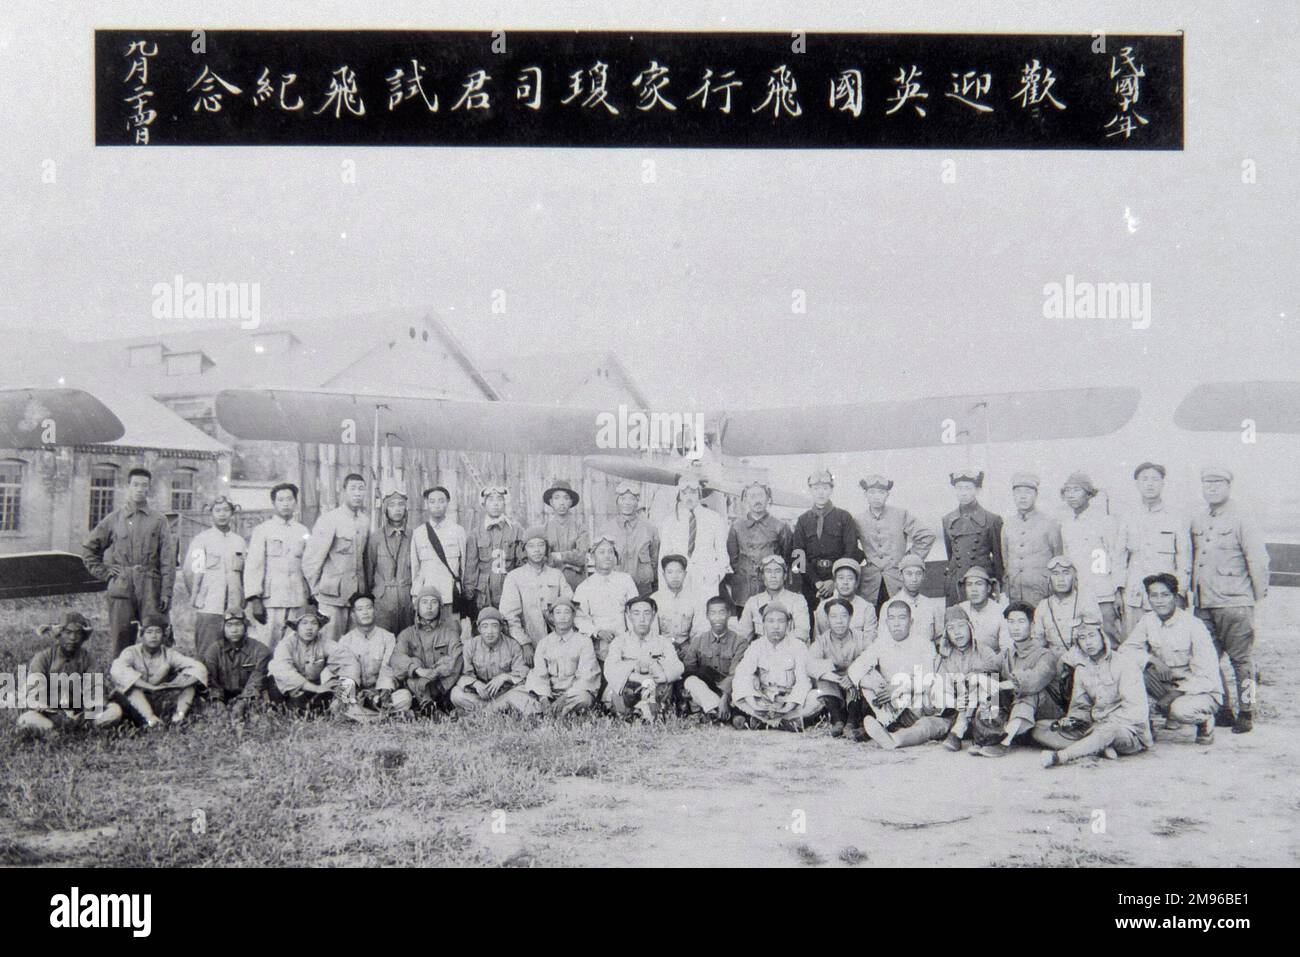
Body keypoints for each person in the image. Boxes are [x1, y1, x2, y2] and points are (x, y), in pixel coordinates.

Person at [1190, 466, 1269, 734]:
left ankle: (1247, 711)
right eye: (1207, 484)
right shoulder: (1199, 519)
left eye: (1218, 483)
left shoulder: (1242, 518)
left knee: (1242, 660)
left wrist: (1252, 598)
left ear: (1229, 486)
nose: (1211, 488)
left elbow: (1258, 561)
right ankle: (1223, 708)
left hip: (1235, 603)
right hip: (1204, 603)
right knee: (1208, 659)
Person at [1034, 610, 1153, 767]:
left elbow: (1135, 711)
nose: (1088, 642)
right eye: (1082, 638)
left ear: (1102, 637)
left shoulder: (1125, 664)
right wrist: (1073, 721)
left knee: (1109, 730)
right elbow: (1081, 706)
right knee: (1039, 728)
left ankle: (1062, 756)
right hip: (1093, 727)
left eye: (1092, 636)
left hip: (1127, 731)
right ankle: (1096, 747)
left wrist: (1101, 726)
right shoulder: (1082, 669)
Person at [81, 466, 176, 657]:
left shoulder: (159, 520)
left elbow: (168, 559)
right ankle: (122, 682)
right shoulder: (114, 519)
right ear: (128, 487)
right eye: (136, 485)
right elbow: (89, 549)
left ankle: (161, 681)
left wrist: (166, 592)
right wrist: (106, 573)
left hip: (151, 587)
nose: (140, 489)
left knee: (158, 635)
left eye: (144, 485)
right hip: (121, 586)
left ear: (149, 488)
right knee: (121, 639)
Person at [1126, 573, 1221, 744]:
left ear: (1175, 597)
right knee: (1130, 669)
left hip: (1199, 690)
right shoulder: (1148, 620)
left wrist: (1174, 695)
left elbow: (1208, 676)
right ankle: (1145, 726)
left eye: (1165, 595)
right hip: (1167, 684)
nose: (1159, 601)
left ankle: (1205, 721)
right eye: (1154, 596)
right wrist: (1153, 660)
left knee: (1179, 710)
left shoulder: (1194, 625)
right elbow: (1127, 650)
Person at [969, 602, 1065, 757]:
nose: (1015, 627)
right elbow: (986, 668)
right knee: (988, 683)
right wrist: (981, 678)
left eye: (1021, 622)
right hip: (1018, 713)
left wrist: (997, 686)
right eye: (1011, 622)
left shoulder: (1046, 655)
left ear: (1032, 626)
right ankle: (987, 736)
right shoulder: (1007, 653)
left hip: (1046, 712)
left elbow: (1033, 682)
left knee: (1027, 692)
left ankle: (1004, 743)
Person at [855, 600, 949, 749]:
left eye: (901, 618)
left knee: (925, 718)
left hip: (917, 704)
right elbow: (856, 668)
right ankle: (886, 721)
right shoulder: (881, 643)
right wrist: (879, 688)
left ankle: (891, 733)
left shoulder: (924, 644)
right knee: (866, 675)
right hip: (890, 704)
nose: (896, 623)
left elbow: (927, 679)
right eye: (892, 618)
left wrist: (898, 688)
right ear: (886, 622)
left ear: (911, 621)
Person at [1119, 462, 1191, 633]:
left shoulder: (1176, 517)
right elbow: (1119, 556)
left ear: (1163, 483)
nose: (1150, 484)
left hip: (1165, 596)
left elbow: (1184, 558)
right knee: (1134, 642)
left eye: (1155, 479)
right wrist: (1119, 590)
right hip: (1135, 594)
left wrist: (1180, 592)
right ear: (1137, 484)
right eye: (1144, 479)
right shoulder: (1128, 517)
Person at [15, 612, 114, 736]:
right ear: (59, 634)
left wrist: (87, 711)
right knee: (28, 719)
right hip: (49, 713)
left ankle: (77, 728)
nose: (73, 638)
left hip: (80, 712)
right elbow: (35, 690)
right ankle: (56, 730)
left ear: (83, 637)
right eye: (68, 633)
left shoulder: (88, 659)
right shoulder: (43, 658)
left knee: (114, 712)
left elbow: (96, 689)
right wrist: (47, 708)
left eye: (78, 633)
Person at [106, 612, 207, 728]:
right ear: (142, 635)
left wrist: (177, 684)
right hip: (136, 698)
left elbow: (198, 667)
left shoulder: (169, 654)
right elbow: (118, 669)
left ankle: (179, 716)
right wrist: (148, 686)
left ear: (164, 635)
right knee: (131, 688)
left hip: (159, 695)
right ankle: (150, 720)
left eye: (158, 632)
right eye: (149, 632)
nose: (153, 636)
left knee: (189, 686)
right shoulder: (131, 652)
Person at [243, 482, 311, 653]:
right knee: (267, 645)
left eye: (289, 499)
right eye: (281, 500)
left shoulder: (303, 531)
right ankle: (265, 679)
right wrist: (255, 599)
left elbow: (309, 565)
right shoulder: (263, 530)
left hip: (297, 598)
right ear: (274, 503)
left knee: (294, 644)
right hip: (271, 599)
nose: (286, 503)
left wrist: (310, 595)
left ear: (296, 502)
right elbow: (254, 566)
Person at [730, 602, 820, 731]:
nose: (776, 626)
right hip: (765, 700)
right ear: (763, 624)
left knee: (817, 697)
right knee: (737, 692)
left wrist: (786, 708)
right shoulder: (756, 645)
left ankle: (771, 722)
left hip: (790, 701)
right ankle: (779, 721)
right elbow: (742, 675)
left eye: (781, 621)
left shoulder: (798, 647)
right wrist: (756, 707)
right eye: (770, 621)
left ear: (788, 624)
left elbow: (803, 682)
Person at [302, 473, 370, 642]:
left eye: (361, 489)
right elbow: (311, 560)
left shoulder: (364, 521)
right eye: (352, 488)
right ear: (343, 491)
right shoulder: (329, 519)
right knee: (330, 644)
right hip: (331, 598)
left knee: (354, 645)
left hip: (355, 597)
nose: (357, 493)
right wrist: (318, 591)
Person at [791, 469, 861, 630]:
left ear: (831, 490)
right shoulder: (802, 520)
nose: (820, 492)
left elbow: (851, 551)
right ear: (810, 490)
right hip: (811, 583)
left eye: (825, 488)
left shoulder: (844, 517)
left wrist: (833, 581)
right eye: (816, 488)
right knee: (812, 627)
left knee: (840, 623)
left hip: (839, 583)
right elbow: (798, 557)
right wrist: (816, 583)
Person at [1059, 471, 1123, 646]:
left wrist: (1118, 590)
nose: (1071, 495)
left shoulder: (1104, 521)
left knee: (1109, 637)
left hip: (1103, 593)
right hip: (1079, 594)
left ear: (1088, 494)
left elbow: (1116, 556)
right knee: (1084, 639)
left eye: (1077, 490)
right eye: (1068, 491)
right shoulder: (1066, 524)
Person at [853, 474, 936, 611]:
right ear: (865, 494)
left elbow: (926, 536)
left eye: (881, 492)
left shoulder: (900, 515)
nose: (876, 496)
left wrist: (908, 560)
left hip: (896, 580)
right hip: (870, 583)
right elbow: (849, 545)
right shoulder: (858, 520)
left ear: (887, 494)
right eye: (872, 492)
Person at [184, 495, 247, 658]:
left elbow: (245, 573)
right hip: (210, 604)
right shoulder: (202, 539)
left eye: (226, 510)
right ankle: (205, 682)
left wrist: (241, 599)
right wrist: (199, 597)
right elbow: (191, 572)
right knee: (208, 648)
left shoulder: (239, 541)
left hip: (233, 605)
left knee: (233, 648)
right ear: (211, 513)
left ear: (232, 513)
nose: (222, 514)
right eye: (217, 510)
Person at [603, 596, 684, 721]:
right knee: (618, 687)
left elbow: (677, 667)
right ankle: (631, 714)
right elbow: (610, 669)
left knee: (666, 686)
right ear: (628, 615)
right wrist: (639, 678)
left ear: (653, 615)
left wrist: (662, 677)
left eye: (647, 613)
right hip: (628, 689)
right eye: (636, 613)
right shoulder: (619, 642)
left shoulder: (663, 642)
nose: (642, 619)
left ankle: (652, 713)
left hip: (655, 687)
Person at [500, 525, 573, 664]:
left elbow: (569, 604)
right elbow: (509, 616)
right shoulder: (514, 577)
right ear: (524, 549)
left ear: (546, 548)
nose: (537, 550)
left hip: (558, 639)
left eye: (541, 545)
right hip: (528, 643)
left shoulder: (556, 575)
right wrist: (525, 644)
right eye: (531, 546)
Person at [932, 607, 1000, 752]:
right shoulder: (944, 659)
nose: (957, 632)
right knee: (928, 723)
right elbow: (941, 689)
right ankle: (896, 739)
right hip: (956, 711)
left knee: (980, 680)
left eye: (961, 626)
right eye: (951, 628)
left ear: (970, 628)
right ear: (946, 634)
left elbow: (994, 685)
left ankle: (961, 730)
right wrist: (955, 702)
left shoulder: (985, 652)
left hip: (986, 712)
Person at [334, 593, 409, 720]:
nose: (365, 612)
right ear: (353, 615)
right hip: (357, 694)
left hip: (379, 694)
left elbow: (388, 668)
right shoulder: (345, 641)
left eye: (369, 607)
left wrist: (382, 691)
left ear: (375, 611)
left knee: (405, 697)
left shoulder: (388, 637)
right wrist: (355, 693)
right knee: (339, 704)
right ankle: (382, 717)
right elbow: (346, 674)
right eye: (360, 609)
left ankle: (363, 716)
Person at [390, 587, 464, 715]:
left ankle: (431, 706)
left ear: (440, 607)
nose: (429, 607)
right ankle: (426, 705)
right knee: (413, 662)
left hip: (442, 687)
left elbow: (456, 660)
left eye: (433, 602)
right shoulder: (407, 634)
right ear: (417, 607)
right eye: (424, 602)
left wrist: (433, 676)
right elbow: (397, 658)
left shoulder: (450, 633)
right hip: (415, 687)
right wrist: (418, 670)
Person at [524, 598, 601, 716]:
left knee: (585, 699)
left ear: (573, 615)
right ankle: (550, 710)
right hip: (550, 694)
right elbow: (540, 675)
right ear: (551, 617)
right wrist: (544, 699)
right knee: (525, 697)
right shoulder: (544, 643)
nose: (562, 617)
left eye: (567, 612)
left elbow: (587, 676)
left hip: (573, 695)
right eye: (558, 613)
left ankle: (557, 712)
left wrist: (564, 698)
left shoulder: (584, 642)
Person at [680, 595, 751, 723]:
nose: (717, 618)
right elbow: (688, 669)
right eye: (712, 613)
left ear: (729, 614)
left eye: (721, 612)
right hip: (706, 691)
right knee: (691, 681)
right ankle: (724, 713)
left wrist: (725, 696)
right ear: (707, 616)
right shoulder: (698, 640)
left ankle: (714, 712)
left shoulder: (740, 642)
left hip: (732, 690)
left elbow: (736, 675)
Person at [659, 478, 731, 604]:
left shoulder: (714, 519)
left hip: (706, 580)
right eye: (684, 493)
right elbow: (663, 556)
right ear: (679, 496)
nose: (688, 497)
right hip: (679, 580)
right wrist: (664, 587)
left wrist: (715, 575)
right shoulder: (669, 521)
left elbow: (722, 554)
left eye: (692, 493)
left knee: (703, 618)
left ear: (699, 494)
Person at [807, 598, 870, 739]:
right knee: (823, 678)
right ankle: (837, 722)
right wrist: (837, 678)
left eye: (843, 616)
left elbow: (870, 658)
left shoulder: (861, 638)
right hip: (834, 687)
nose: (839, 621)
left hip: (854, 688)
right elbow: (810, 664)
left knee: (860, 679)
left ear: (850, 617)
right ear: (827, 620)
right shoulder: (821, 641)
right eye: (833, 617)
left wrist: (852, 677)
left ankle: (851, 723)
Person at [451, 607, 533, 714]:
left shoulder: (513, 645)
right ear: (479, 629)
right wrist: (476, 684)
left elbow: (523, 673)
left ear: (501, 628)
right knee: (455, 694)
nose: (489, 632)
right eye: (485, 626)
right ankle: (498, 710)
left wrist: (504, 677)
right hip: (481, 695)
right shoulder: (470, 645)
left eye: (494, 626)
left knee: (524, 692)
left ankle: (481, 712)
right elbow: (463, 674)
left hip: (505, 693)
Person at [726, 482, 793, 613]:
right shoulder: (736, 527)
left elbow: (787, 558)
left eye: (761, 495)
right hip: (744, 590)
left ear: (768, 499)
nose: (757, 500)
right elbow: (733, 558)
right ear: (745, 500)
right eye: (752, 496)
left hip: (771, 588)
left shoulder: (780, 526)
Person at [941, 469, 1004, 605]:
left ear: (977, 490)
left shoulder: (992, 520)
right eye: (959, 488)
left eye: (968, 488)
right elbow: (951, 554)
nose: (963, 492)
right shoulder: (947, 520)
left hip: (981, 584)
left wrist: (998, 588)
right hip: (956, 585)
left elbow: (999, 562)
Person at [1000, 472, 1063, 607]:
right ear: (1013, 495)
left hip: (1041, 592)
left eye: (1028, 492)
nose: (1022, 496)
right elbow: (1005, 558)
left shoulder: (1049, 523)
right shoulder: (1008, 524)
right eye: (1018, 492)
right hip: (1015, 592)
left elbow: (1058, 557)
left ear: (1036, 495)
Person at [573, 533, 639, 661]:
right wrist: (597, 632)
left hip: (625, 643)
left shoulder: (626, 580)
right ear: (593, 557)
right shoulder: (584, 587)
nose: (607, 556)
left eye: (610, 552)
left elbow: (635, 610)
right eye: (601, 552)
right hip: (598, 647)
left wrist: (631, 638)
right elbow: (579, 618)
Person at [267, 606, 343, 713]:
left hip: (310, 687)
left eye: (314, 623)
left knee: (319, 709)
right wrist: (317, 689)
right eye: (304, 623)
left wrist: (342, 682)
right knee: (293, 709)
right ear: (296, 627)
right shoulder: (285, 644)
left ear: (319, 627)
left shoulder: (324, 642)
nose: (309, 628)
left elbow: (344, 658)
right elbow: (285, 672)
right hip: (285, 688)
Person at [199, 609, 270, 720]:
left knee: (255, 717)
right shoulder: (214, 650)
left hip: (251, 695)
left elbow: (257, 680)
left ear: (245, 627)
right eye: (229, 625)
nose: (234, 630)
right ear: (223, 628)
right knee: (213, 717)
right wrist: (217, 701)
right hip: (222, 695)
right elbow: (210, 680)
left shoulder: (260, 650)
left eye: (238, 625)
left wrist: (243, 701)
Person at [410, 485, 469, 616]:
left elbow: (464, 567)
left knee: (452, 633)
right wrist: (416, 593)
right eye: (432, 501)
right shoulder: (419, 533)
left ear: (448, 502)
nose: (437, 505)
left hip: (451, 597)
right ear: (426, 504)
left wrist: (461, 592)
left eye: (441, 501)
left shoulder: (458, 531)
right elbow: (415, 569)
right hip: (427, 598)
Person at [464, 484, 524, 610]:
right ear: (484, 504)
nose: (495, 504)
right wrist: (469, 596)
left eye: (499, 499)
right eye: (491, 500)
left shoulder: (516, 530)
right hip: (485, 592)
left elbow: (521, 564)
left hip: (509, 588)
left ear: (505, 503)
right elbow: (471, 568)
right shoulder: (475, 534)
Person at [365, 486, 414, 635]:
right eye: (392, 505)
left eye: (400, 504)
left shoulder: (414, 536)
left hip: (408, 601)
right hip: (383, 602)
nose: (397, 509)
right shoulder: (376, 538)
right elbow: (368, 570)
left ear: (406, 508)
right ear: (386, 509)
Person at [1031, 555, 1097, 660]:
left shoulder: (1086, 602)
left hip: (1082, 659)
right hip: (1051, 660)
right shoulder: (1043, 606)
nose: (1061, 579)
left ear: (1074, 577)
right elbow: (1038, 641)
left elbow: (1095, 642)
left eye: (1066, 573)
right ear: (1049, 579)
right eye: (1055, 574)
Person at [737, 554, 811, 643]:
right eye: (768, 571)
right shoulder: (753, 602)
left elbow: (802, 633)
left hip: (789, 651)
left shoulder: (797, 600)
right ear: (763, 576)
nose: (773, 576)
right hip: (762, 652)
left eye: (778, 571)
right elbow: (742, 635)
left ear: (785, 576)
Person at [608, 481, 660, 597]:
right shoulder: (607, 529)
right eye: (623, 498)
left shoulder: (650, 529)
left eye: (631, 498)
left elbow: (655, 560)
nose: (627, 503)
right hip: (615, 588)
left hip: (643, 589)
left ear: (637, 501)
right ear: (617, 501)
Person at [883, 554, 944, 647]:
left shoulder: (931, 605)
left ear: (923, 576)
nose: (914, 579)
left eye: (918, 574)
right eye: (909, 574)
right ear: (900, 575)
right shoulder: (889, 606)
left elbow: (940, 639)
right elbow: (884, 642)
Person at [812, 557, 878, 643]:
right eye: (841, 578)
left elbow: (870, 642)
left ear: (857, 583)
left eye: (850, 578)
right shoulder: (823, 606)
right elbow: (818, 640)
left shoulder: (867, 608)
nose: (845, 582)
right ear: (835, 582)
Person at [540, 479, 590, 591]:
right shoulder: (544, 529)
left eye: (566, 498)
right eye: (557, 498)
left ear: (571, 502)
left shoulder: (581, 528)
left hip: (576, 581)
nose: (562, 502)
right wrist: (570, 561)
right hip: (551, 581)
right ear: (551, 502)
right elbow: (543, 558)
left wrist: (558, 556)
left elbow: (581, 557)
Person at [956, 566, 1009, 657]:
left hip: (992, 665)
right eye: (969, 584)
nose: (974, 589)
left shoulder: (1000, 612)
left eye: (979, 584)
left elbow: (1006, 649)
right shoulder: (960, 610)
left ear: (988, 588)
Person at [650, 554, 699, 650]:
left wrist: (690, 648)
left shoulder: (695, 599)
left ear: (685, 574)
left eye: (679, 572)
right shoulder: (655, 599)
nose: (675, 576)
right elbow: (652, 633)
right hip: (662, 649)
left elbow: (698, 630)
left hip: (688, 649)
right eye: (670, 572)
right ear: (664, 575)